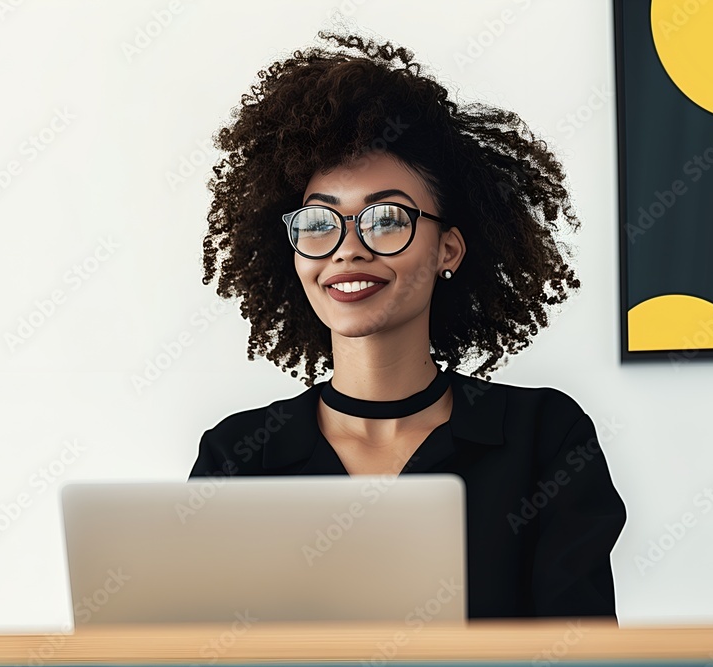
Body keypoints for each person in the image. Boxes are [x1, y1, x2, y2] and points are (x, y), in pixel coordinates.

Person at [188, 32, 626, 619]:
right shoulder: (238, 456)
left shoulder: (543, 440)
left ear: (448, 248)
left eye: (386, 218)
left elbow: (582, 653)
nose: (347, 250)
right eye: (320, 222)